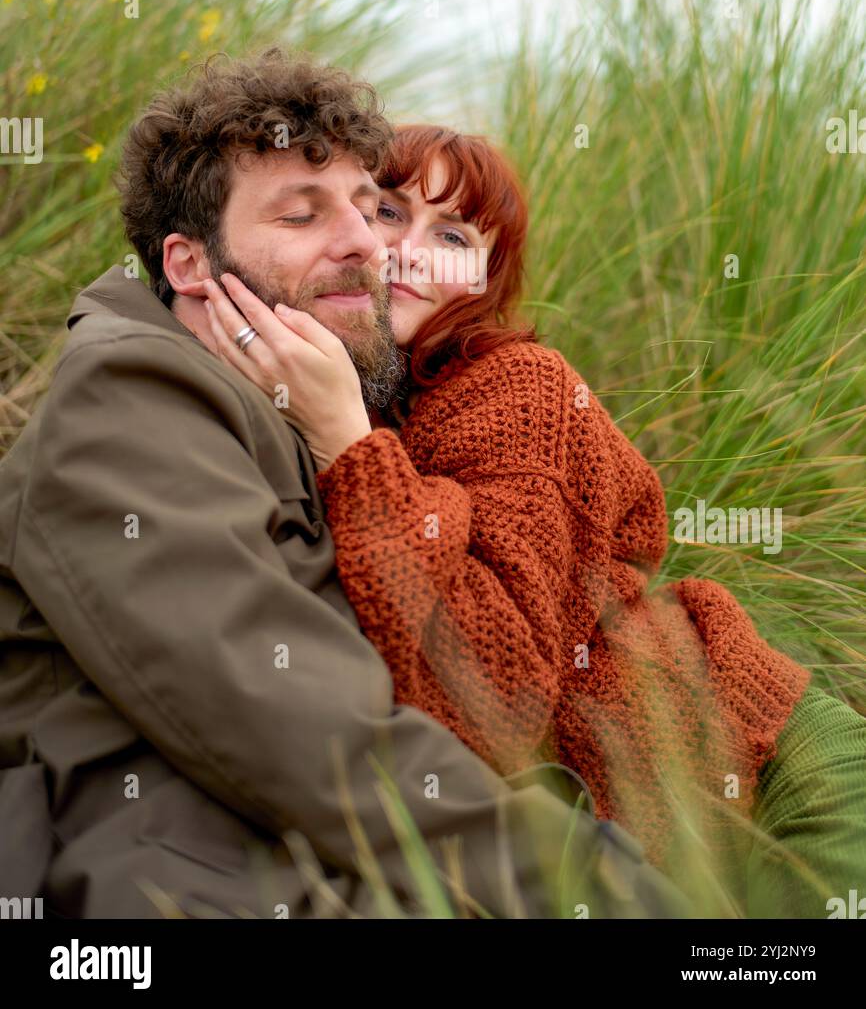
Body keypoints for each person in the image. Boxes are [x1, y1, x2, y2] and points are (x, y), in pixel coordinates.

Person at [0, 49, 689, 921]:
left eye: (368, 210)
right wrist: (589, 883)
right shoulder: (130, 398)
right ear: (187, 265)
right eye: (302, 215)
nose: (370, 244)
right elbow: (306, 732)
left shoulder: (315, 401)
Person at [207, 120, 866, 918]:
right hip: (649, 833)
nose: (411, 250)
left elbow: (495, 687)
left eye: (450, 234)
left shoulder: (515, 387)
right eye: (387, 211)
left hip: (774, 761)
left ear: (481, 282)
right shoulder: (367, 390)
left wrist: (349, 446)